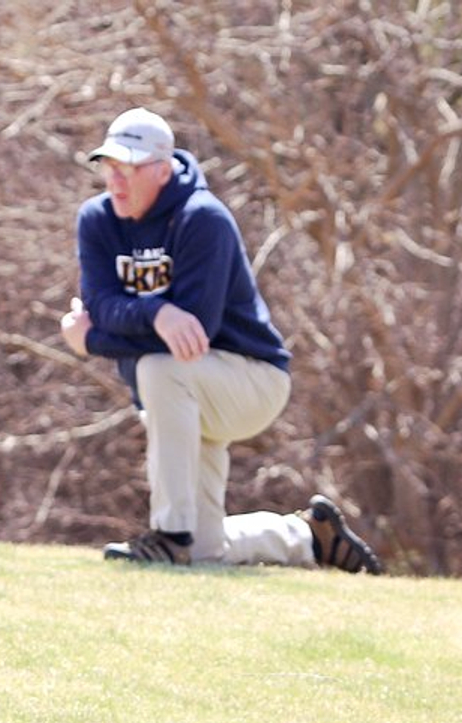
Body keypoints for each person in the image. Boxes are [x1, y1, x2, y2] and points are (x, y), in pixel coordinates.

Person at [58, 107, 382, 574]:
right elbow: (100, 304)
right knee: (206, 552)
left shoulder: (202, 219)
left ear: (162, 170)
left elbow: (193, 337)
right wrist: (157, 311)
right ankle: (308, 537)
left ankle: (169, 535)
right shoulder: (97, 220)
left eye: (128, 169)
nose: (115, 181)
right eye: (108, 167)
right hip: (184, 393)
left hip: (250, 379)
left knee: (159, 367)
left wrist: (91, 341)